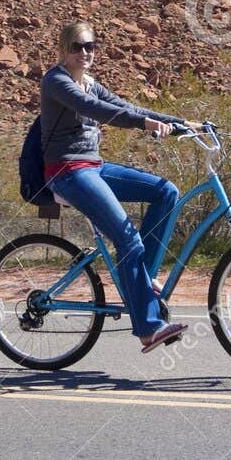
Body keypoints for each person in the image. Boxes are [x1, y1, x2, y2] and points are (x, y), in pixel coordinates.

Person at [40, 20, 197, 353]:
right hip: (66, 172)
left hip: (93, 168)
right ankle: (148, 328)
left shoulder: (91, 83)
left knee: (165, 191)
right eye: (77, 46)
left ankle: (142, 282)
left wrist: (181, 125)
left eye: (90, 46)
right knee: (127, 237)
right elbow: (96, 110)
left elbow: (128, 107)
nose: (84, 52)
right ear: (63, 50)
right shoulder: (56, 81)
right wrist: (143, 124)